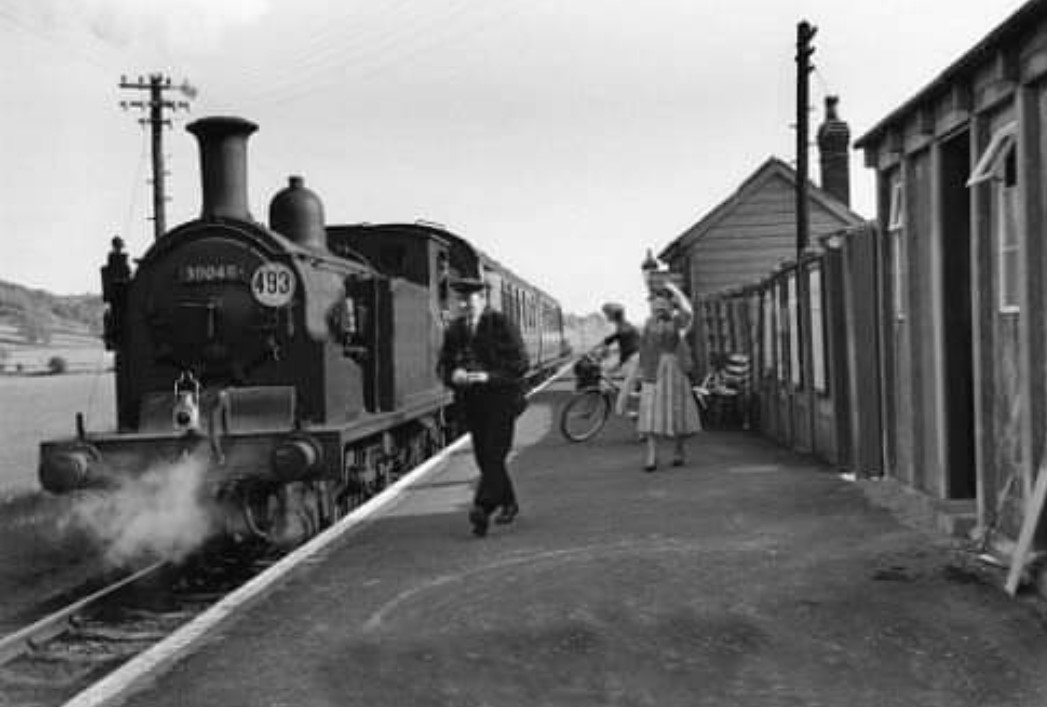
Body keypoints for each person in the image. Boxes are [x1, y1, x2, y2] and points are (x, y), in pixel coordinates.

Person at [437, 276, 529, 537]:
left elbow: (521, 363)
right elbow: (443, 364)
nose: (464, 305)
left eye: (469, 299)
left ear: (483, 298)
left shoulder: (500, 323)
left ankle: (482, 509)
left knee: (493, 455)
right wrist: (452, 375)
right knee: (485, 458)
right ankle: (509, 502)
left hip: (502, 400)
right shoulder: (454, 330)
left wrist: (488, 376)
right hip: (473, 404)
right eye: (461, 300)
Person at [636, 281, 702, 471]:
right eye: (655, 305)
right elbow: (643, 347)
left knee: (677, 409)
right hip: (652, 371)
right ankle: (651, 456)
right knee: (650, 412)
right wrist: (641, 371)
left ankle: (679, 450)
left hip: (674, 369)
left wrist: (675, 291)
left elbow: (689, 312)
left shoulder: (678, 321)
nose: (658, 308)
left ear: (670, 305)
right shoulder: (648, 323)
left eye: (662, 305)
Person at [600, 302, 641, 416]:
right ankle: (607, 389)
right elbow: (617, 339)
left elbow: (620, 335)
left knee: (626, 385)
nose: (606, 316)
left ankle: (621, 411)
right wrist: (605, 345)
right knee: (606, 371)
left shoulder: (624, 326)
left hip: (635, 358)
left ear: (614, 315)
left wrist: (607, 345)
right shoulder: (622, 325)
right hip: (628, 356)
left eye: (608, 314)